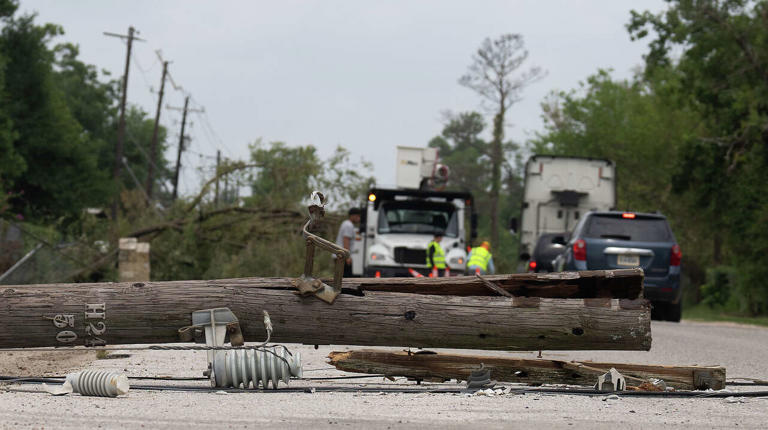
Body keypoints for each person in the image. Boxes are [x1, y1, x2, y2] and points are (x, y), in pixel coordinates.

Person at [335, 207, 361, 277]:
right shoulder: (348, 225)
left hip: (341, 255)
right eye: (358, 216)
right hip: (343, 256)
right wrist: (347, 257)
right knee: (346, 278)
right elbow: (346, 240)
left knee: (341, 277)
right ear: (353, 216)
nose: (359, 219)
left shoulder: (346, 224)